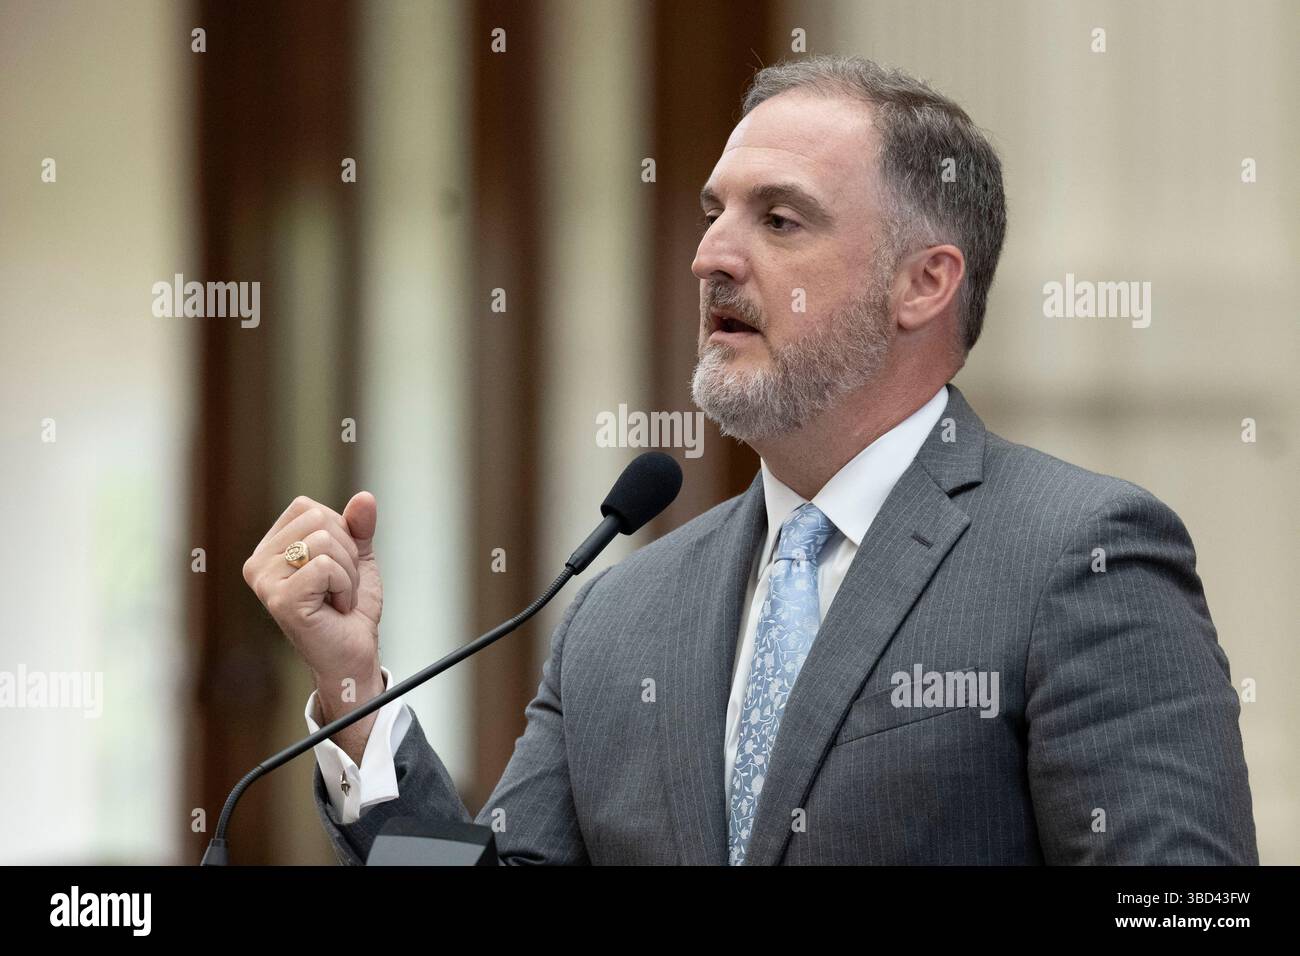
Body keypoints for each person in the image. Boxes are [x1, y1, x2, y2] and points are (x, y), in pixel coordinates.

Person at [241, 55, 1257, 864]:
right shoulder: (623, 611)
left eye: (778, 219)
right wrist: (354, 694)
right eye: (712, 212)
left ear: (922, 283)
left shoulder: (1077, 555)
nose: (710, 256)